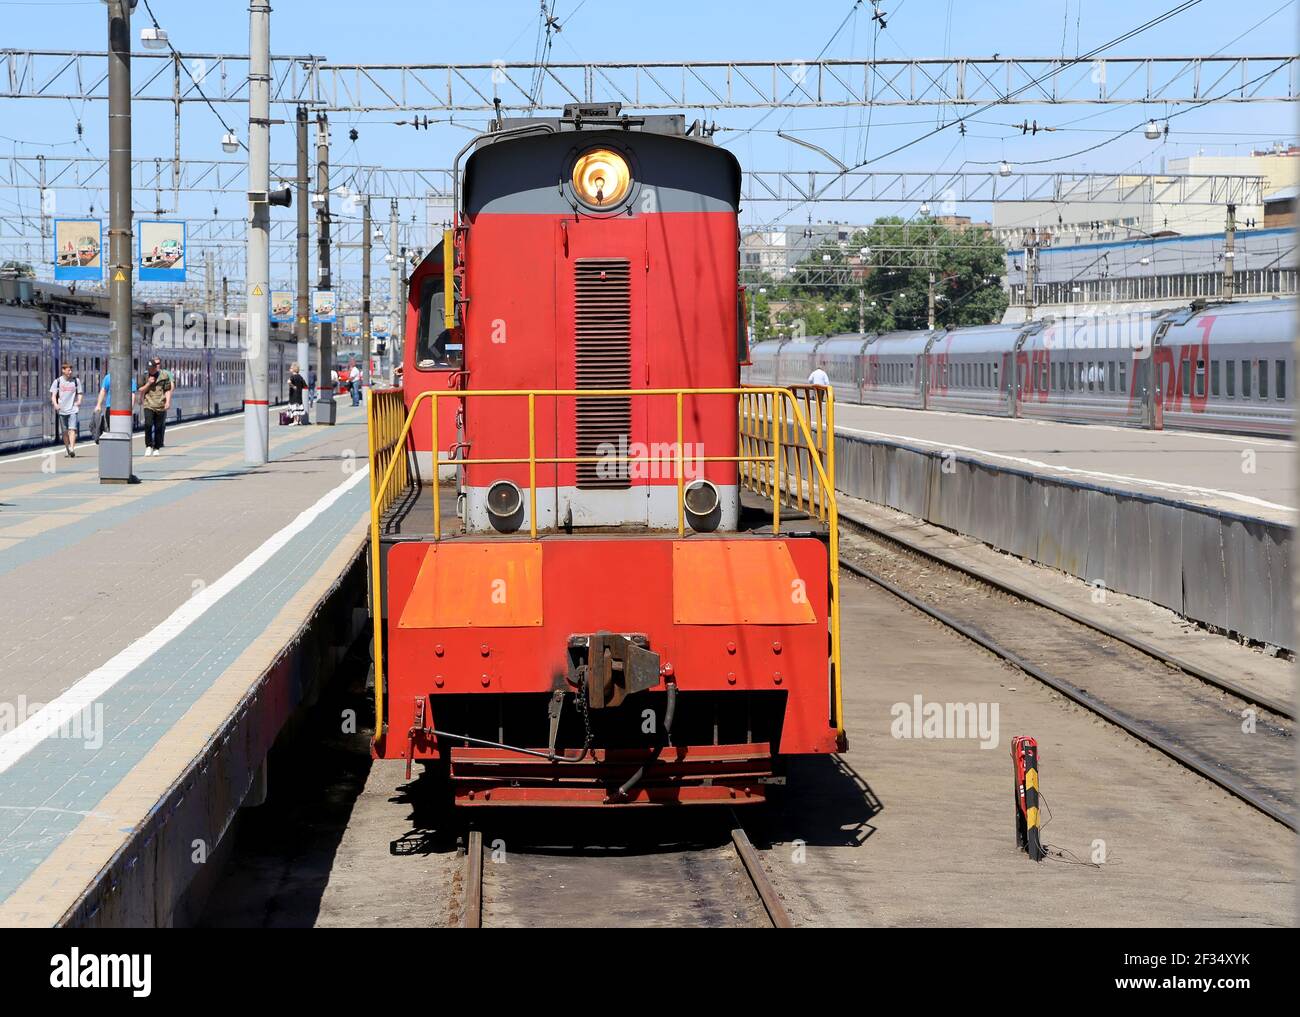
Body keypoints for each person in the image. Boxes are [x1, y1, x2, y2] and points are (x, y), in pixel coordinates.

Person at [138, 356, 173, 456]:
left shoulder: (164, 376)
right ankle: (148, 446)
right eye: (149, 369)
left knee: (159, 427)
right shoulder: (145, 376)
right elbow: (140, 390)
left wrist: (168, 402)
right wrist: (148, 383)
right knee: (148, 424)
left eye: (152, 368)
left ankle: (157, 447)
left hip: (160, 404)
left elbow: (167, 390)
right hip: (148, 404)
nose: (151, 370)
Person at [49, 362, 83, 458]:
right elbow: (53, 395)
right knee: (64, 431)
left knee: (72, 429)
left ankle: (72, 448)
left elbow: (80, 393)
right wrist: (55, 404)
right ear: (63, 370)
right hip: (62, 409)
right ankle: (67, 448)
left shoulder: (76, 381)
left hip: (73, 409)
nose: (70, 372)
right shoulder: (57, 381)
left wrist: (79, 401)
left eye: (71, 370)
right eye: (68, 370)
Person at [93, 371, 138, 442]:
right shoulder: (108, 377)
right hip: (112, 408)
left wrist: (131, 408)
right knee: (112, 429)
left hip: (123, 408)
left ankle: (119, 447)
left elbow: (132, 394)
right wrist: (98, 404)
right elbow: (103, 390)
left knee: (121, 430)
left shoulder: (128, 378)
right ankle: (114, 447)